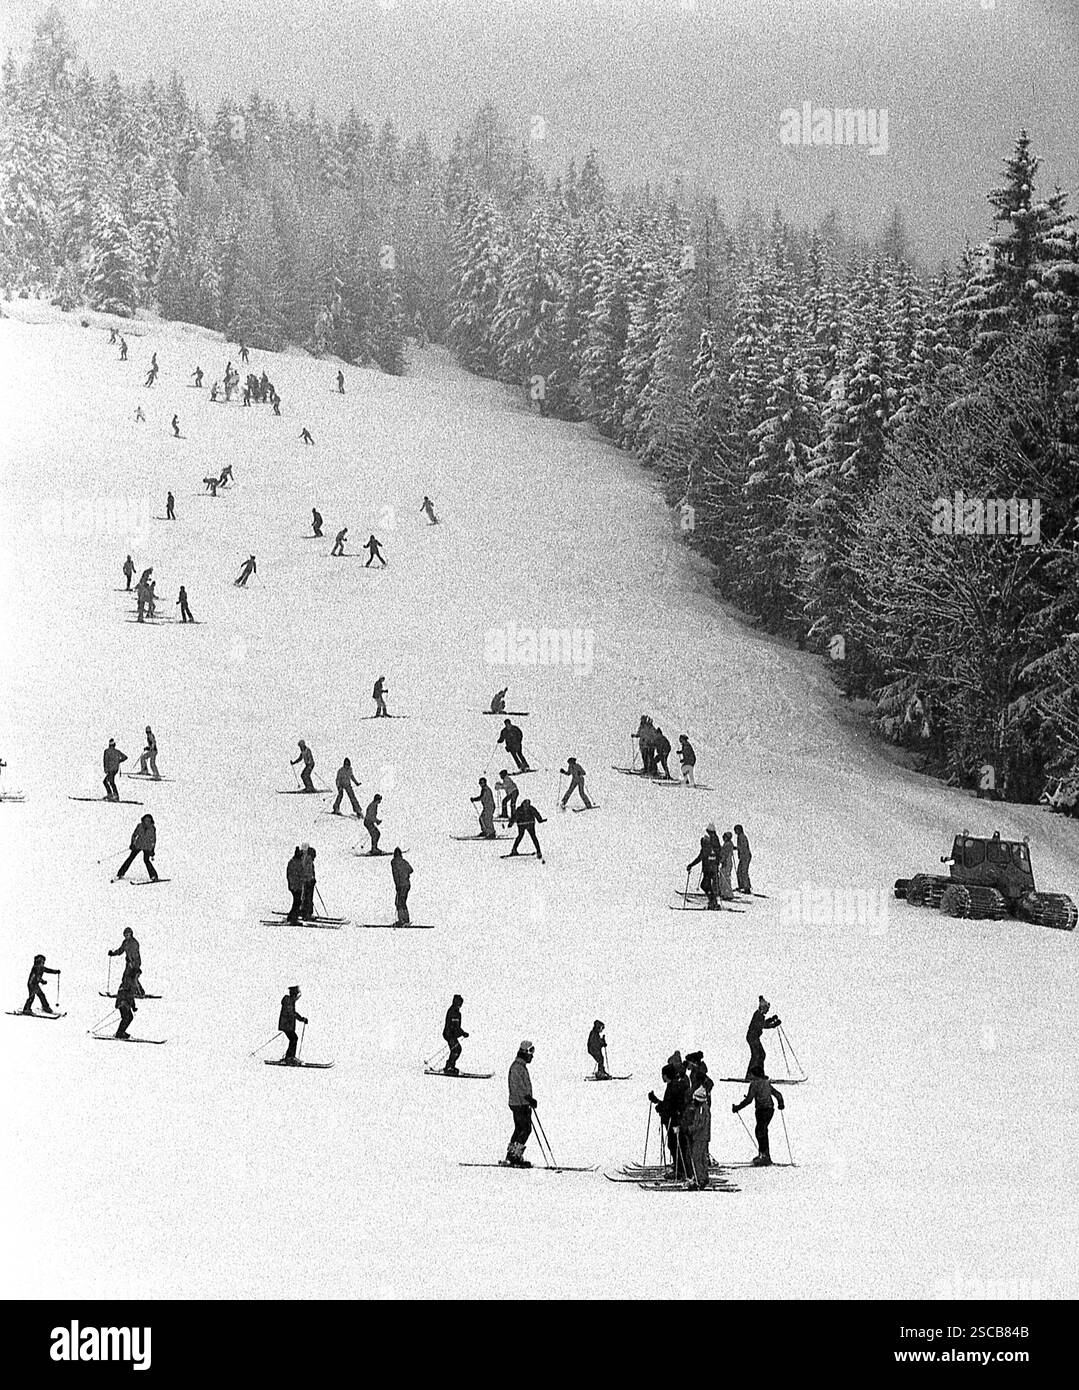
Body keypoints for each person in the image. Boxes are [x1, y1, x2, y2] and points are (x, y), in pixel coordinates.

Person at [732, 1067, 785, 1166]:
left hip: (761, 1110)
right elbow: (778, 1094)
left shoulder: (754, 1084)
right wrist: (780, 1103)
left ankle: (764, 1156)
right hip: (770, 1109)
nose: (749, 1076)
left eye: (751, 1074)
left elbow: (749, 1100)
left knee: (760, 1130)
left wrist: (738, 1107)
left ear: (755, 1075)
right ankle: (764, 1154)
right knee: (762, 1130)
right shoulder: (766, 1083)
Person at [505, 1041, 537, 1167]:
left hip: (520, 1102)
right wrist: (528, 1098)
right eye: (531, 1053)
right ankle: (515, 1156)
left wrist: (528, 1099)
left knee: (520, 1129)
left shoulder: (520, 1066)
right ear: (525, 1053)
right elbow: (517, 1087)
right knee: (525, 1129)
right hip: (519, 1103)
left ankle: (511, 1155)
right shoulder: (517, 1067)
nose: (532, 1057)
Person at [683, 1084, 713, 1188]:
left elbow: (699, 1124)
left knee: (697, 1157)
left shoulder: (701, 1109)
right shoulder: (703, 1108)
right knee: (701, 1157)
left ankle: (700, 1178)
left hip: (700, 1137)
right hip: (702, 1136)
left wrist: (689, 1129)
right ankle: (703, 1177)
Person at [116, 814, 158, 881]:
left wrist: (152, 850)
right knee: (130, 858)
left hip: (147, 847)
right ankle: (120, 873)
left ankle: (154, 876)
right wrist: (132, 844)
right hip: (138, 845)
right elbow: (134, 835)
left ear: (151, 821)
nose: (146, 822)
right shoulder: (139, 826)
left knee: (146, 860)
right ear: (143, 820)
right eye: (145, 820)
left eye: (148, 821)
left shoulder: (152, 828)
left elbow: (153, 840)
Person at [746, 996, 781, 1077]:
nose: (767, 1011)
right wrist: (773, 1024)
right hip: (752, 1037)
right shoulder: (758, 1015)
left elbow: (763, 1023)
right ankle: (754, 1074)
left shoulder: (759, 1014)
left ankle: (754, 1073)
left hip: (753, 1037)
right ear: (763, 1008)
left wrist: (772, 1019)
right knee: (758, 1054)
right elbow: (763, 1025)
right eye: (767, 1009)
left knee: (759, 1054)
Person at [687, 828, 720, 910]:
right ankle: (713, 901)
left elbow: (699, 858)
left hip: (708, 870)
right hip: (711, 869)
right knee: (707, 885)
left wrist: (691, 865)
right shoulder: (709, 848)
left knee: (704, 885)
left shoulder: (706, 849)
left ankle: (713, 902)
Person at [109, 927, 146, 997]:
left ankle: (140, 992)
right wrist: (113, 953)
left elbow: (135, 954)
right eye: (125, 935)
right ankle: (126, 992)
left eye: (127, 935)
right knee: (125, 978)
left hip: (135, 963)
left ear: (131, 934)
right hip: (128, 963)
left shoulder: (134, 943)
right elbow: (120, 950)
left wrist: (132, 962)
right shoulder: (125, 942)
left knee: (133, 978)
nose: (126, 936)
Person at [277, 986, 308, 1063]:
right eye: (297, 996)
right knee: (294, 1038)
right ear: (294, 995)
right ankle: (290, 1058)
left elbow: (292, 1013)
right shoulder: (288, 1001)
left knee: (293, 1039)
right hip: (286, 1025)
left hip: (286, 1025)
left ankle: (289, 1057)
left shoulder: (289, 1001)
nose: (297, 998)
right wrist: (301, 1019)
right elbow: (292, 1013)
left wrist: (301, 1019)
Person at [442, 995, 467, 1074]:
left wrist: (462, 1033)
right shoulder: (452, 1012)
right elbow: (453, 1026)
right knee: (456, 1049)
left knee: (457, 1049)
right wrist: (462, 1033)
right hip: (449, 1034)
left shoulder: (457, 1013)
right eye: (459, 1003)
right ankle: (449, 1067)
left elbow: (457, 1027)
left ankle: (450, 1066)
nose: (460, 1005)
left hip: (451, 1035)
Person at [391, 847, 412, 924]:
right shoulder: (404, 862)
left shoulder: (394, 862)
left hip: (401, 885)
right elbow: (411, 870)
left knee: (399, 902)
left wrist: (397, 885)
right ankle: (406, 919)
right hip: (407, 884)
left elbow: (396, 875)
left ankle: (402, 920)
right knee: (403, 902)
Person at [114, 974, 138, 1039]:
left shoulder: (132, 984)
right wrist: (123, 1001)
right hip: (122, 1003)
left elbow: (131, 996)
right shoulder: (127, 983)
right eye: (137, 976)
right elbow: (122, 992)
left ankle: (121, 1032)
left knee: (129, 1017)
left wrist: (133, 1007)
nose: (138, 978)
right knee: (126, 1018)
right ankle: (119, 1033)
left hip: (126, 1004)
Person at [286, 847, 305, 924]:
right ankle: (293, 918)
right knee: (297, 902)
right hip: (295, 886)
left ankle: (291, 917)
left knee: (297, 902)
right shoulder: (295, 863)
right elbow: (293, 875)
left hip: (296, 885)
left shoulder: (294, 862)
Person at [299, 845, 317, 920]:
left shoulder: (304, 857)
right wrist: (311, 879)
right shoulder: (308, 859)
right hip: (308, 882)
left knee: (305, 897)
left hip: (306, 881)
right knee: (308, 898)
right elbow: (308, 871)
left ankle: (304, 912)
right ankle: (307, 914)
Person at [734, 824, 753, 893]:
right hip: (743, 857)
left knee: (743, 871)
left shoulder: (742, 837)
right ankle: (742, 885)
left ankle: (746, 887)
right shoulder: (740, 836)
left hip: (745, 856)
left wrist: (737, 848)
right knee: (739, 871)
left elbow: (743, 847)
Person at [718, 830, 736, 900]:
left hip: (726, 862)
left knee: (725, 878)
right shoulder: (728, 843)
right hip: (726, 862)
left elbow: (725, 854)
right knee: (724, 877)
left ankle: (728, 894)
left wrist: (721, 860)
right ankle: (724, 893)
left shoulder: (728, 844)